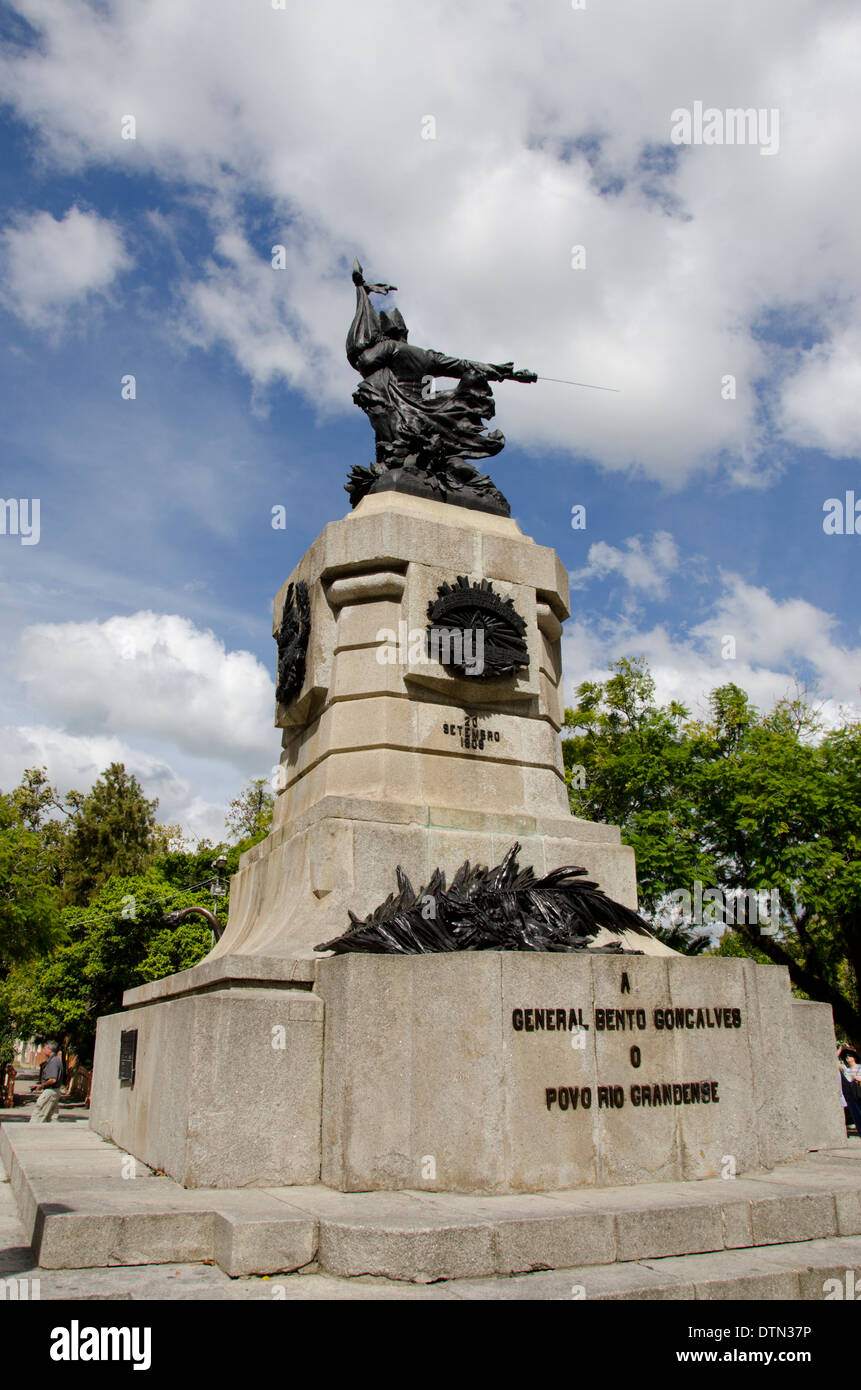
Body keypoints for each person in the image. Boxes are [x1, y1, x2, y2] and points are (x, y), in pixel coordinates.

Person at [29, 1040, 64, 1123]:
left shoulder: (54, 1061)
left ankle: (32, 1131)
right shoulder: (55, 1060)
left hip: (50, 1091)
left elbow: (52, 1079)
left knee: (39, 1113)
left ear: (50, 1049)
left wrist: (42, 1085)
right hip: (54, 1091)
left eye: (44, 1048)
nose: (43, 1050)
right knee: (51, 1117)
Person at [838, 1046, 861, 1137]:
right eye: (846, 1056)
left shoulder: (859, 1067)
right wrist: (840, 1049)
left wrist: (856, 1078)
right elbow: (833, 1061)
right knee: (856, 1116)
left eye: (850, 1055)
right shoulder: (846, 1070)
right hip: (851, 1096)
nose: (848, 1058)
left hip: (859, 1094)